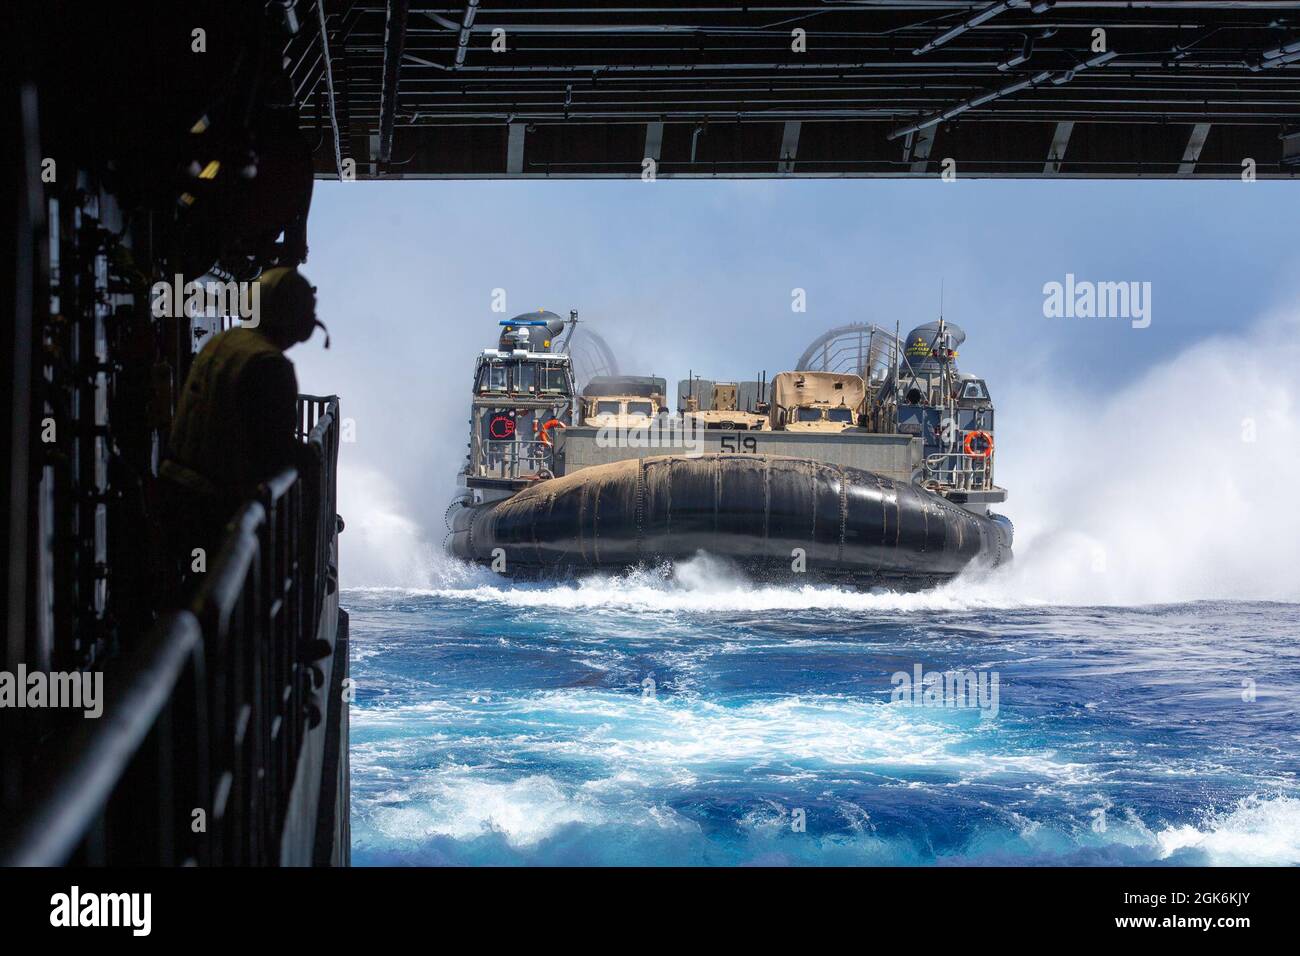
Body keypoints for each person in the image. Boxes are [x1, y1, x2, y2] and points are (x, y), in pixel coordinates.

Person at [158, 266, 327, 587]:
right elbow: (272, 452)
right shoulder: (270, 365)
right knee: (221, 594)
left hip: (175, 489)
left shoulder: (222, 343)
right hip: (213, 508)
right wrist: (305, 458)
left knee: (189, 588)